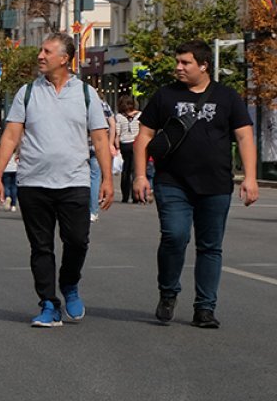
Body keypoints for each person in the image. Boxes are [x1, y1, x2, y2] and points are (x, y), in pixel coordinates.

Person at [0, 33, 112, 328]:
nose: (40, 55)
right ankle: (48, 303)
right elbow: (10, 137)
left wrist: (107, 178)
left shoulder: (86, 94)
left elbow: (99, 137)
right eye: (40, 50)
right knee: (41, 247)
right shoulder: (27, 93)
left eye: (46, 51)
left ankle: (69, 284)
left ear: (64, 59)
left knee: (78, 241)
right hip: (33, 183)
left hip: (74, 182)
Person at [133, 40, 259, 329]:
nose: (178, 67)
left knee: (210, 247)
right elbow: (144, 136)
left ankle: (205, 307)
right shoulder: (165, 96)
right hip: (172, 182)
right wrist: (140, 175)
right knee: (174, 237)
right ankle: (168, 292)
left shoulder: (227, 97)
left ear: (203, 65)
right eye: (177, 61)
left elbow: (244, 137)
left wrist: (250, 177)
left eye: (185, 62)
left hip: (215, 184)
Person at [88, 90, 115, 222]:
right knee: (95, 178)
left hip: (80, 146)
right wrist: (110, 142)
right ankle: (93, 211)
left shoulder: (80, 102)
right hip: (97, 146)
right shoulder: (103, 105)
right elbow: (112, 123)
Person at [115, 95, 142, 204]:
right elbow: (142, 131)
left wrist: (116, 147)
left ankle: (125, 196)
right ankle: (136, 196)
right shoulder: (140, 115)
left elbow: (117, 133)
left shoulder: (119, 117)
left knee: (125, 171)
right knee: (135, 170)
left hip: (124, 144)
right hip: (136, 144)